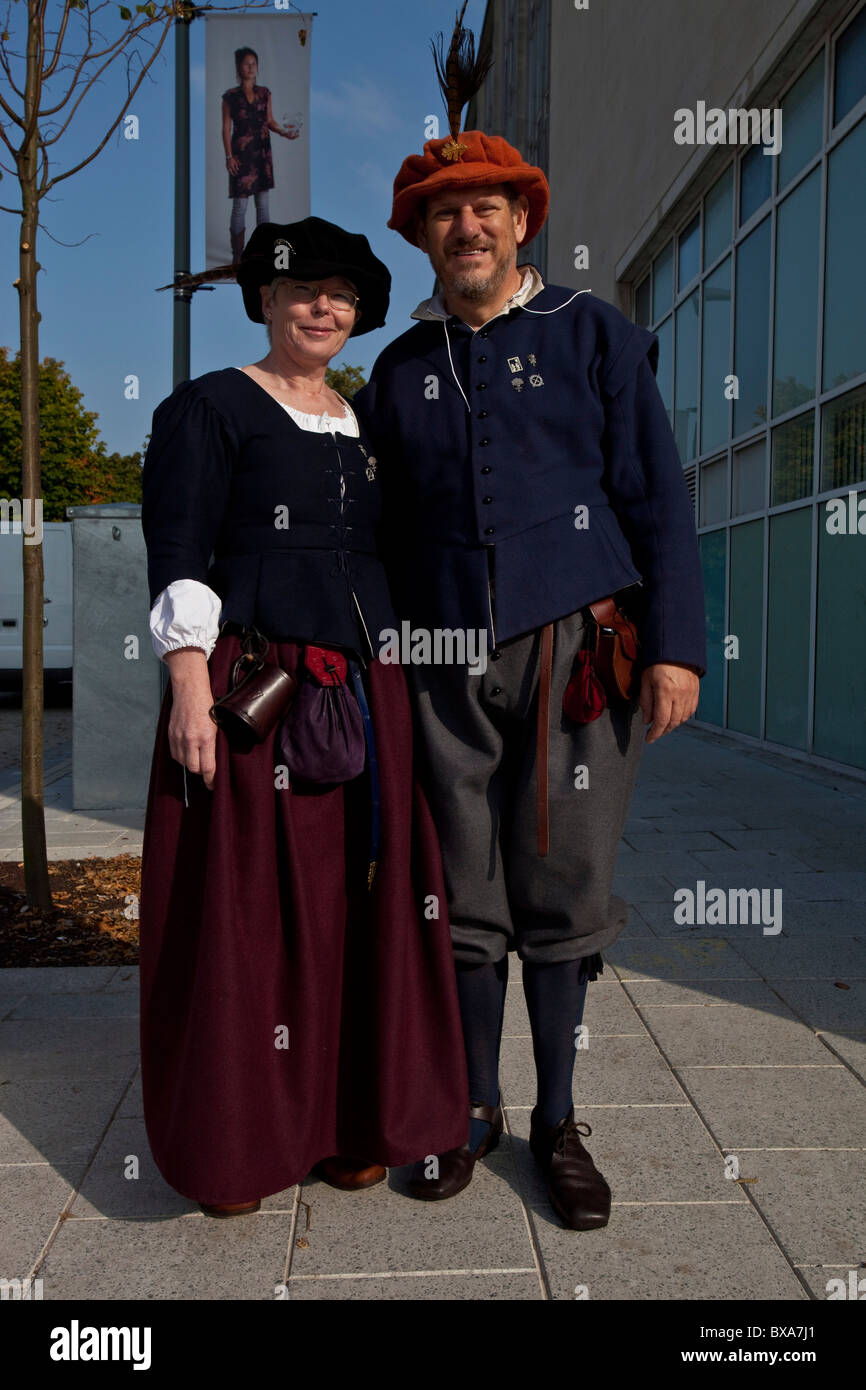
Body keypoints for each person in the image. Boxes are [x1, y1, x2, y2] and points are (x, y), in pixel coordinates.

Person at [353, 123, 707, 1230]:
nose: (467, 225)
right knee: (461, 897)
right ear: (422, 236)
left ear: (520, 221)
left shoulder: (592, 334)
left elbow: (657, 498)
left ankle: (557, 1121)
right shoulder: (398, 369)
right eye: (444, 213)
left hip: (578, 658)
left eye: (485, 208)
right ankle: (470, 1111)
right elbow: (369, 531)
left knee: (562, 897)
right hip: (440, 664)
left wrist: (677, 645)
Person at [138, 217, 469, 1217]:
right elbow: (181, 545)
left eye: (338, 294)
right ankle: (239, 1141)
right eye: (301, 292)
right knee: (250, 917)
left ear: (356, 311)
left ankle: (339, 1125)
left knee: (351, 911)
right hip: (255, 694)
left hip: (366, 693)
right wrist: (188, 684)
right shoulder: (210, 408)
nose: (321, 307)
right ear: (267, 303)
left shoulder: (362, 424)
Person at [222, 47, 299, 263]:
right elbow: (225, 128)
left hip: (262, 154)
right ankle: (237, 255)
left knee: (263, 206)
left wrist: (285, 132)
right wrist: (229, 156)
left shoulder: (264, 93)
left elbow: (270, 120)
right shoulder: (230, 96)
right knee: (240, 207)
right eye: (246, 63)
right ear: (239, 67)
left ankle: (263, 251)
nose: (250, 67)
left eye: (253, 63)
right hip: (241, 155)